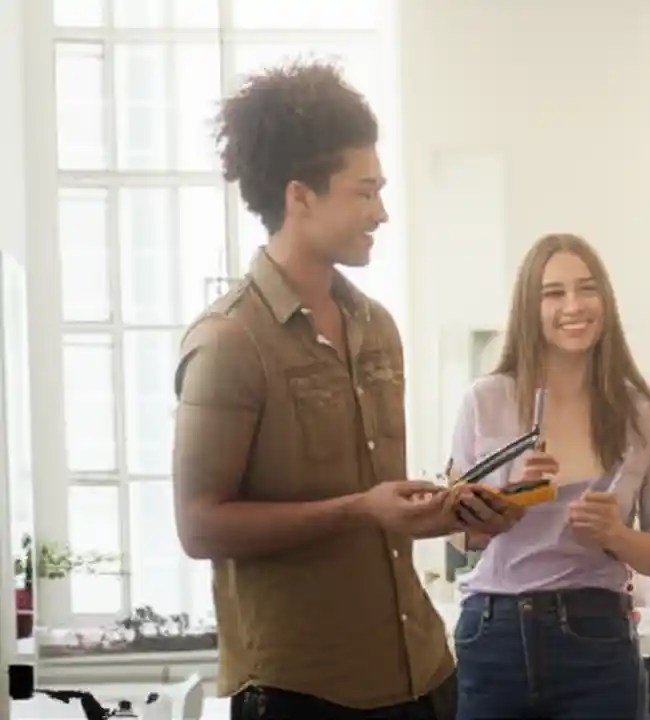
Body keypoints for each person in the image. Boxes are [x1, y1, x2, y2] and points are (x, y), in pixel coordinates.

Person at [172, 61, 520, 720]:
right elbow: (199, 525)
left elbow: (378, 506)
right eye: (365, 192)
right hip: (304, 691)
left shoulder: (377, 328)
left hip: (423, 674)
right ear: (300, 197)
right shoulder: (228, 342)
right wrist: (361, 510)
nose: (382, 212)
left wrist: (451, 512)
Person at [446, 233, 650, 719]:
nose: (573, 306)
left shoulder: (647, 419)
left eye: (587, 288)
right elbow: (456, 536)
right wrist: (504, 504)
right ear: (528, 308)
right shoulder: (485, 401)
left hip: (596, 643)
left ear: (606, 301)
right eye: (553, 293)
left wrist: (617, 536)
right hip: (493, 635)